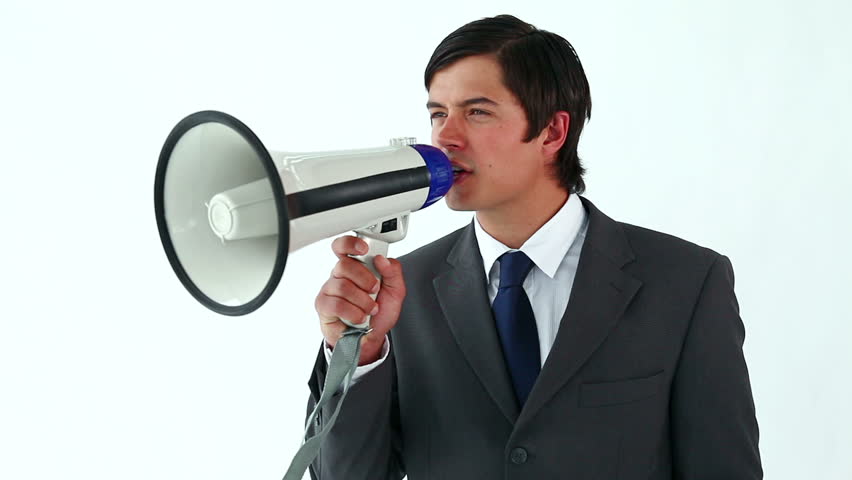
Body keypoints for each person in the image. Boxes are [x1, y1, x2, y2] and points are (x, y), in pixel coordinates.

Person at [307, 14, 762, 479]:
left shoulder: (685, 282)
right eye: (438, 114)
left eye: (477, 111)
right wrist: (355, 353)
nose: (444, 137)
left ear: (552, 132)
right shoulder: (402, 294)